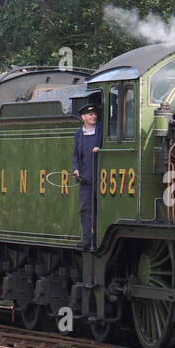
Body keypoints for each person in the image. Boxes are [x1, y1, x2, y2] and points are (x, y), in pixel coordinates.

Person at [71, 102, 101, 248]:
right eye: (90, 115)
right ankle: (87, 238)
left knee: (98, 208)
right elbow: (76, 154)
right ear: (83, 117)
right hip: (85, 176)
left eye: (95, 114)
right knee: (85, 209)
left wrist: (100, 148)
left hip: (100, 176)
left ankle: (98, 238)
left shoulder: (101, 130)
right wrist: (75, 169)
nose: (94, 116)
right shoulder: (79, 134)